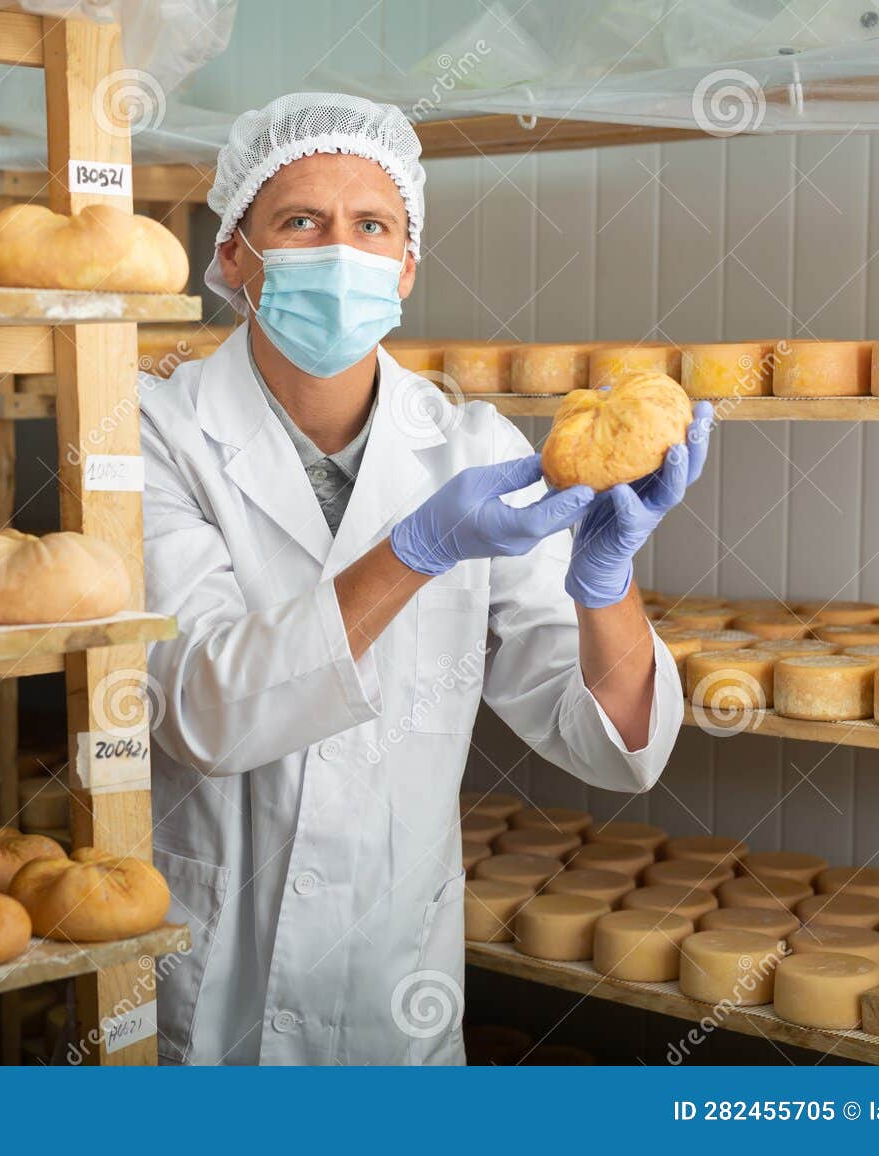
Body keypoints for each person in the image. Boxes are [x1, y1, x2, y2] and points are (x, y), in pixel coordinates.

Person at [140, 93, 710, 1064]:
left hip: (388, 970)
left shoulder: (470, 448)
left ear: (405, 264)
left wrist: (604, 578)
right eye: (299, 222)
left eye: (372, 225)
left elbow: (610, 745)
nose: (340, 249)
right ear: (235, 257)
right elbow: (206, 713)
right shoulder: (157, 433)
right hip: (211, 962)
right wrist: (413, 553)